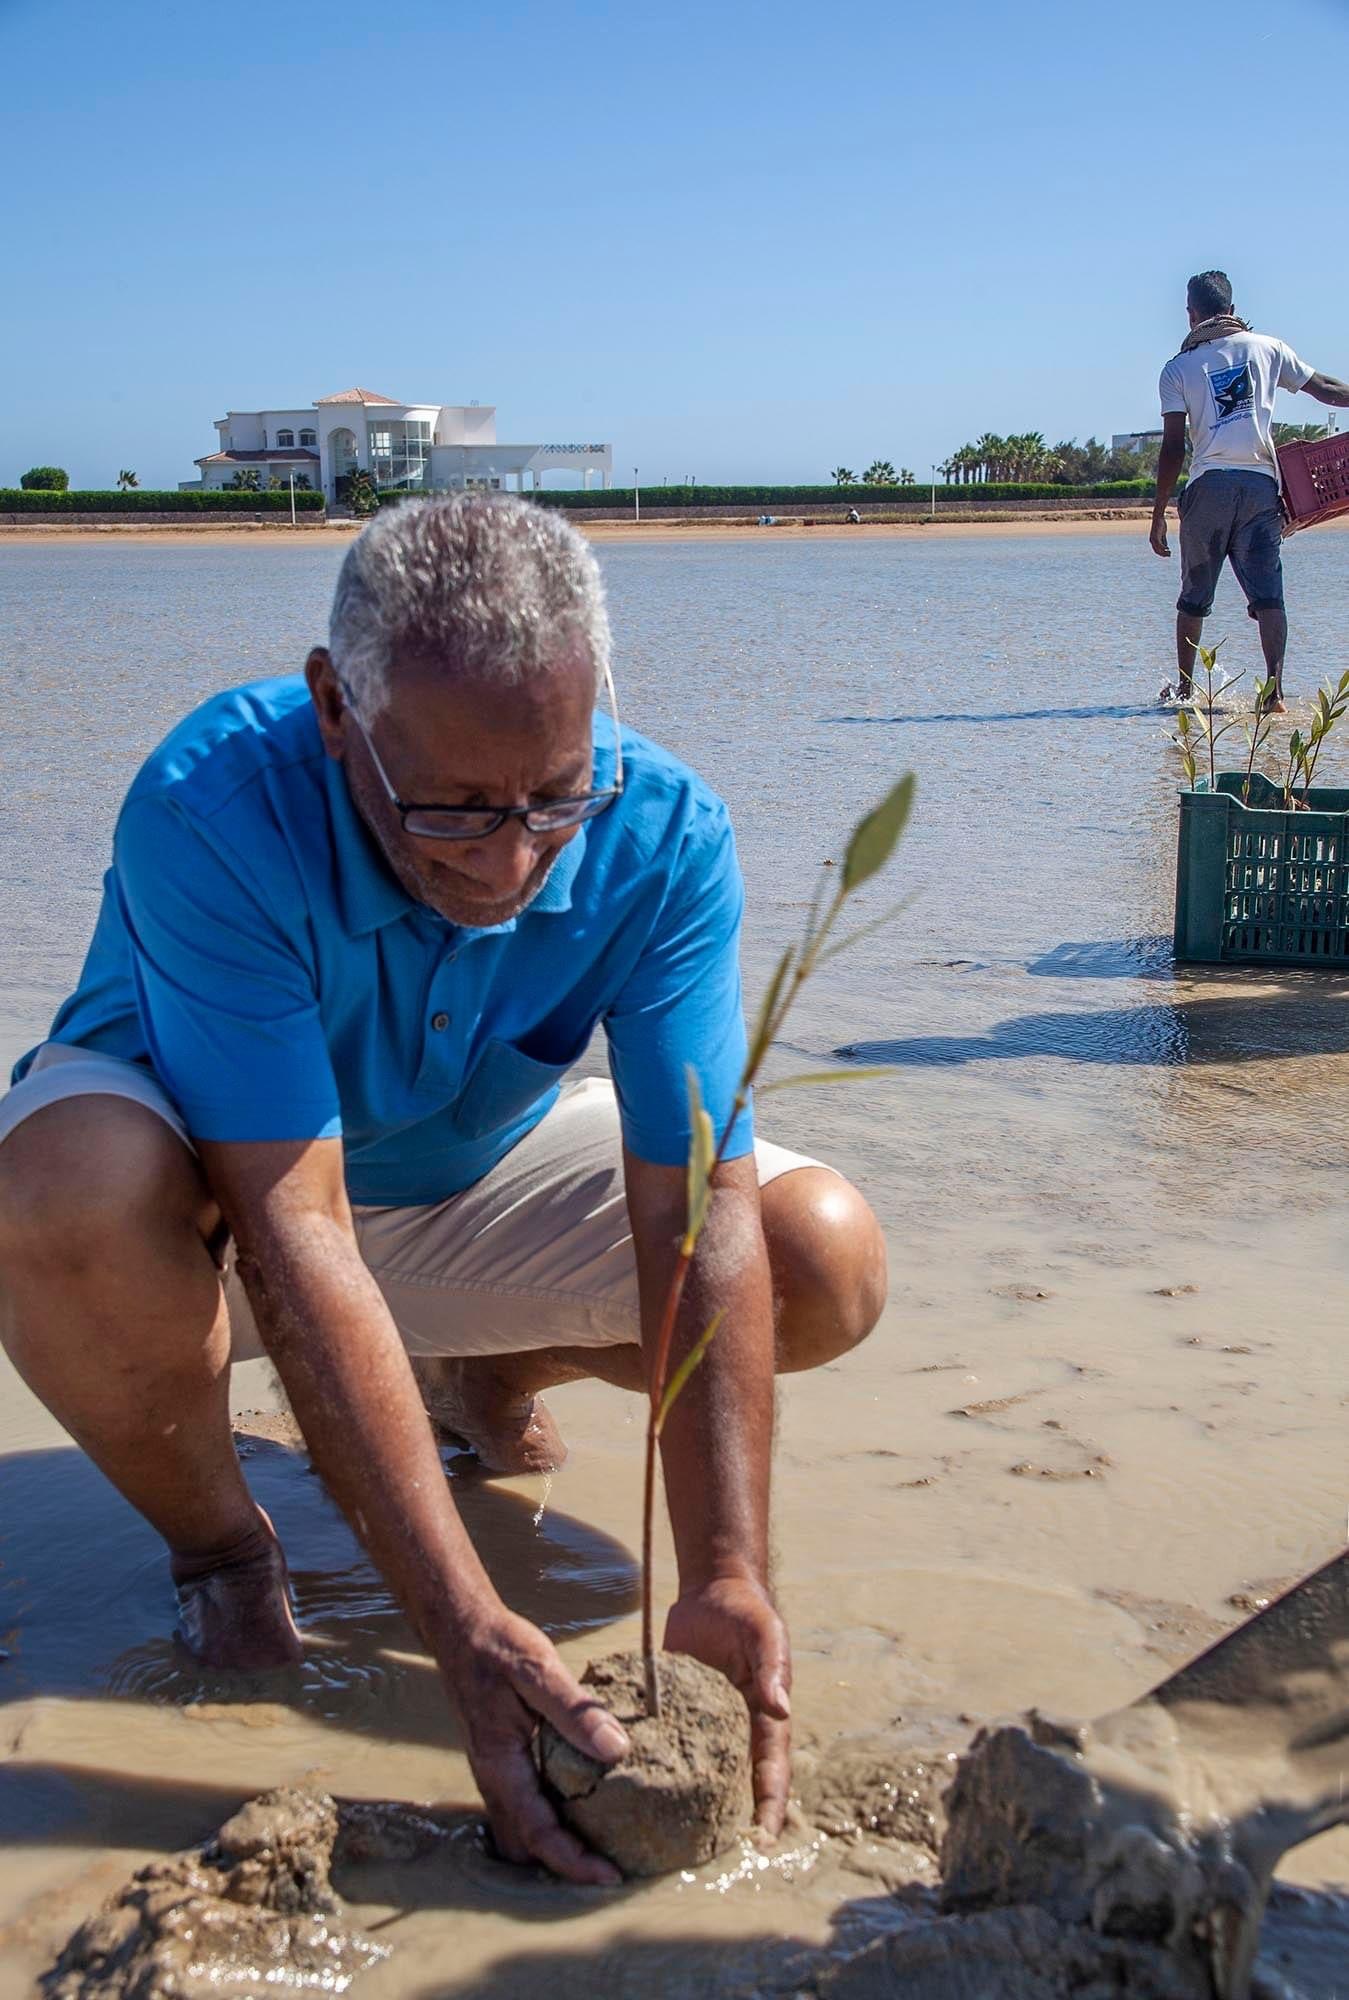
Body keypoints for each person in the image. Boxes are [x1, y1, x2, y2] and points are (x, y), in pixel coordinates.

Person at [0, 495, 887, 1888]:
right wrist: (463, 1622)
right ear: (334, 711)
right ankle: (227, 1556)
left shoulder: (659, 834)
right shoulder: (214, 808)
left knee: (814, 1252)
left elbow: (690, 1207)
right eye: (452, 809)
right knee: (54, 1193)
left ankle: (484, 1375)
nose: (508, 857)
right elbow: (297, 1233)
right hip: (214, 1201)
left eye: (552, 795)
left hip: (458, 1177)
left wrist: (724, 1572)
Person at [1150, 270, 1349, 710]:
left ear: (1191, 314)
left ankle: (1185, 692)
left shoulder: (1177, 369)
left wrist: (1158, 512)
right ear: (1234, 310)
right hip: (1261, 488)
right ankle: (1274, 693)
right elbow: (1326, 389)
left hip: (1208, 490)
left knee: (1194, 597)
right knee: (1268, 596)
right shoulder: (1269, 349)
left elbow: (1173, 448)